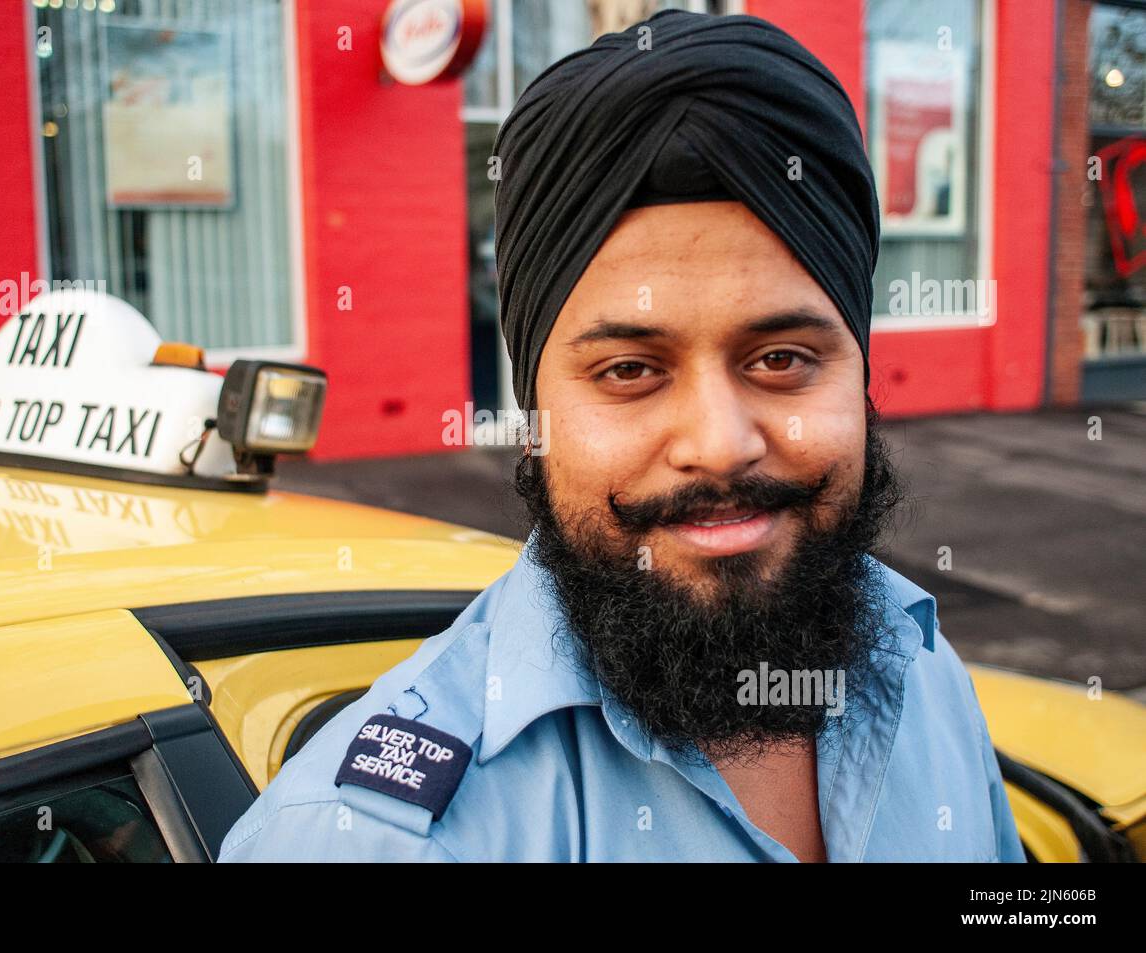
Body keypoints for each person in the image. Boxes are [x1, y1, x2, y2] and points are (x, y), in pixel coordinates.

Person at [220, 10, 1024, 863]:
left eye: (782, 358)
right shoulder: (364, 842)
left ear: (862, 377)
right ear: (536, 412)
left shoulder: (922, 669)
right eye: (630, 371)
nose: (718, 444)